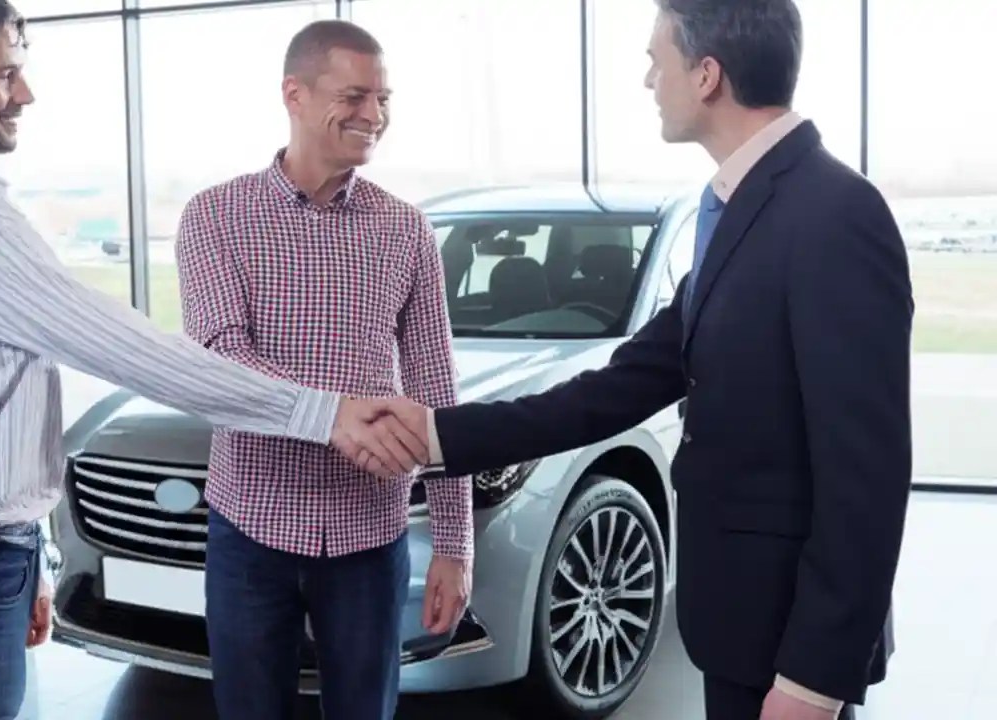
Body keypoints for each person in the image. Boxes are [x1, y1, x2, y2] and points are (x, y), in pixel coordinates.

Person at [0, 2, 424, 719]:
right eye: (5, 75)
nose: (25, 94)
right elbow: (139, 354)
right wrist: (323, 412)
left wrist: (23, 561)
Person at [382, 1, 914, 719]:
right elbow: (622, 386)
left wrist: (813, 681)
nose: (645, 80)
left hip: (789, 649)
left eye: (655, 60)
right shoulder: (735, 207)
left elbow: (867, 482)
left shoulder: (835, 214)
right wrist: (437, 433)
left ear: (706, 75)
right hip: (738, 627)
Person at [174, 19, 473, 720]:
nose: (374, 115)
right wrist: (329, 416)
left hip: (371, 534)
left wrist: (455, 545)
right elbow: (223, 358)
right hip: (251, 524)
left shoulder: (406, 229)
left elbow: (435, 389)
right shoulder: (215, 216)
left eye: (385, 98)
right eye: (355, 95)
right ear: (295, 95)